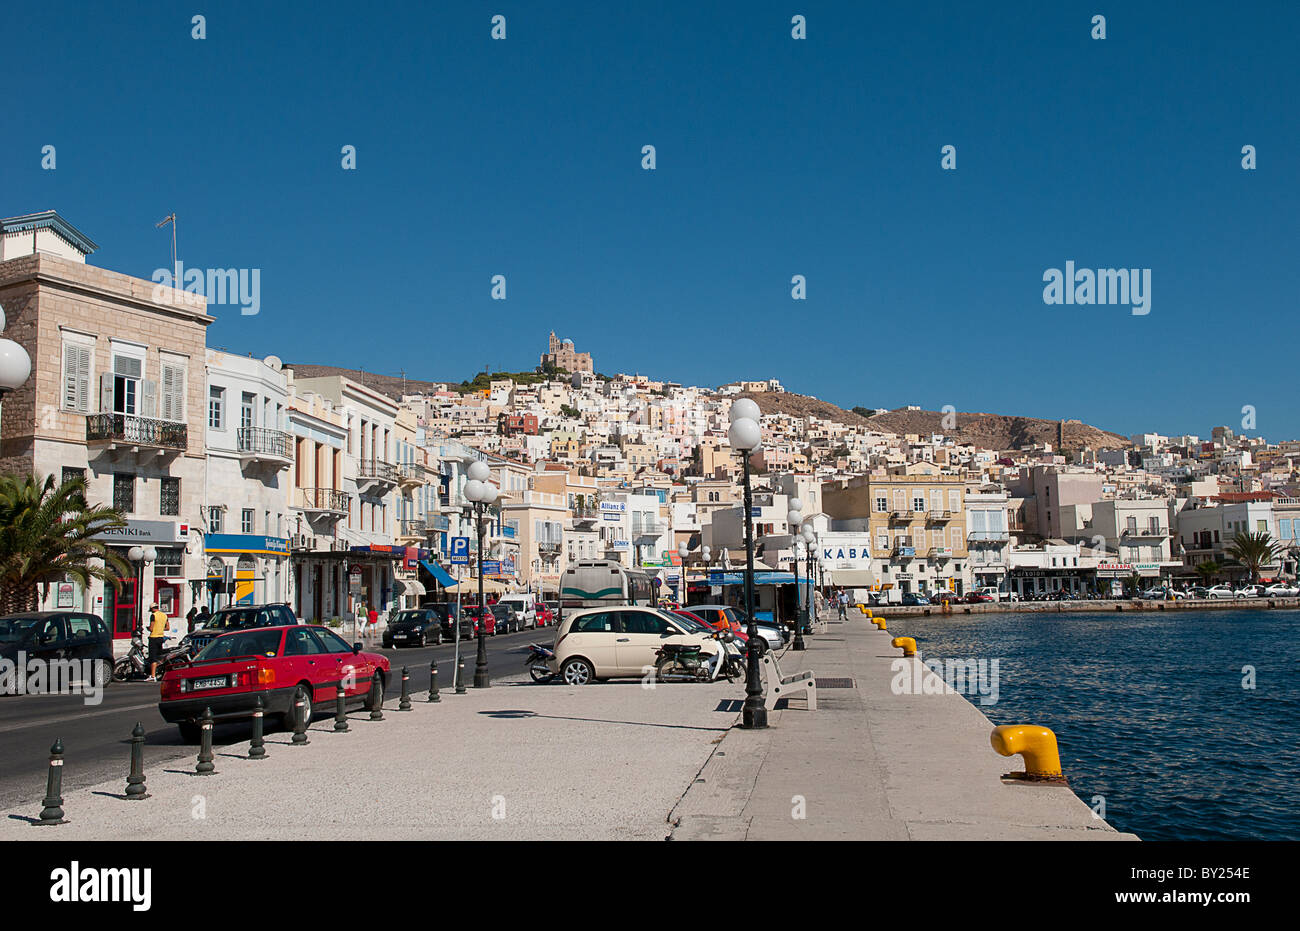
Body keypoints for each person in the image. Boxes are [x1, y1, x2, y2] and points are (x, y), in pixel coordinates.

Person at [146, 604, 169, 681]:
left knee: (153, 657)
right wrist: (160, 628)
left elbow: (151, 628)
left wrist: (148, 628)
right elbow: (167, 628)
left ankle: (152, 676)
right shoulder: (164, 615)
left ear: (152, 609)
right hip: (160, 637)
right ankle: (157, 672)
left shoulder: (153, 615)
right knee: (159, 656)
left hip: (153, 638)